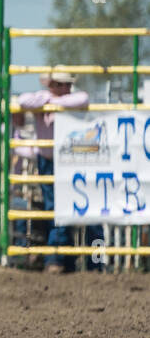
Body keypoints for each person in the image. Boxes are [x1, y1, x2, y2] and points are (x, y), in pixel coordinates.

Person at [17, 70, 100, 274]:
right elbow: (22, 101)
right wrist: (49, 100)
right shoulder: (43, 100)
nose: (66, 88)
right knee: (54, 208)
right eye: (61, 84)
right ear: (52, 85)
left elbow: (82, 98)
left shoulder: (67, 100)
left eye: (67, 85)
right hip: (50, 161)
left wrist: (53, 103)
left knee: (72, 209)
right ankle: (59, 258)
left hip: (70, 160)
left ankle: (66, 259)